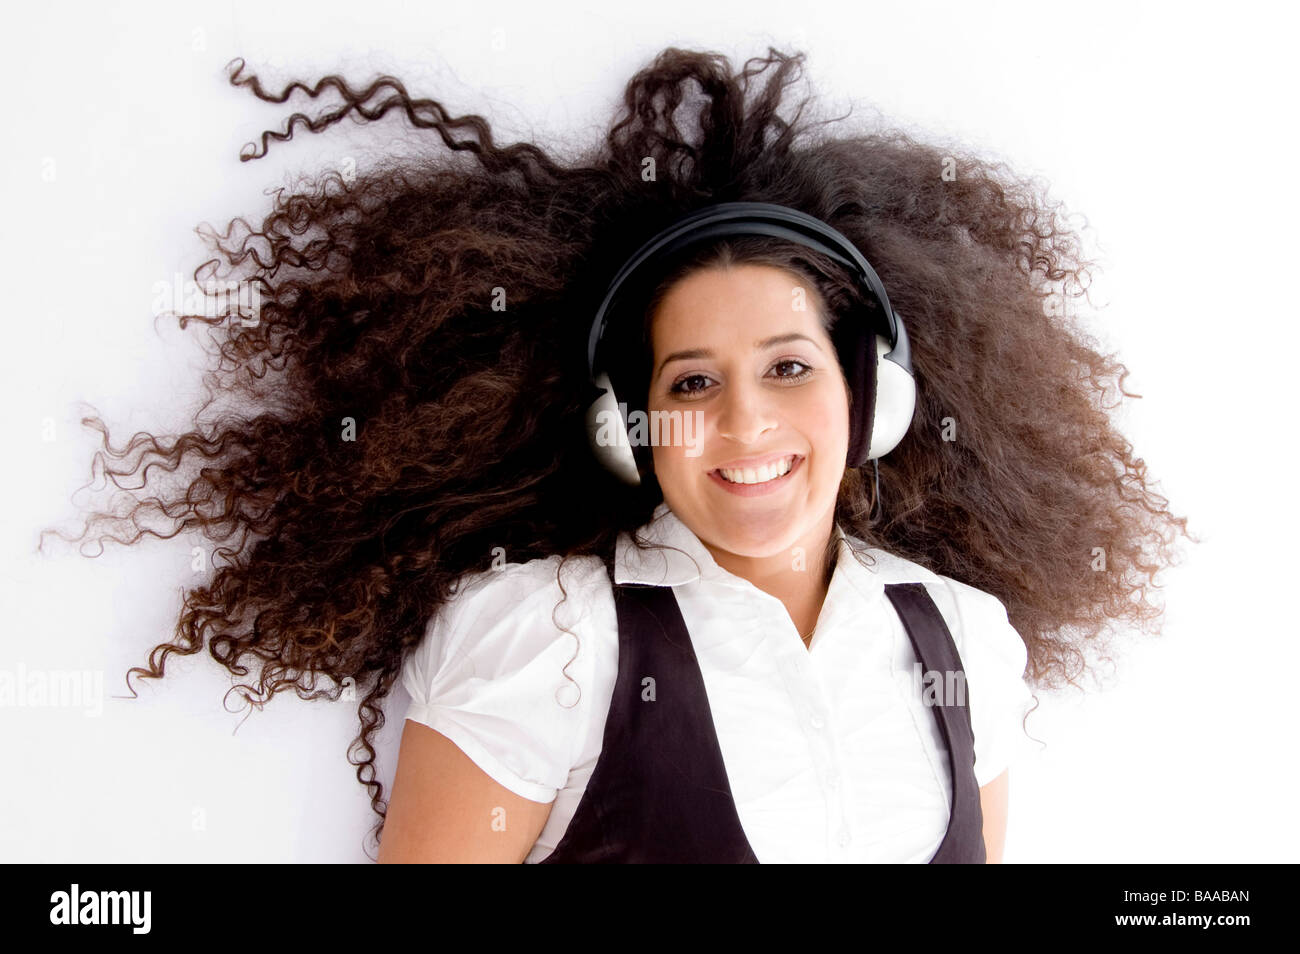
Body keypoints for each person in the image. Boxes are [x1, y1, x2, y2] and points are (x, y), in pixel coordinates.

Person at [49, 46, 1194, 862]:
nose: (745, 427)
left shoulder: (963, 640)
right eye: (691, 382)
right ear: (625, 424)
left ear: (873, 392)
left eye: (789, 367)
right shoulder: (547, 640)